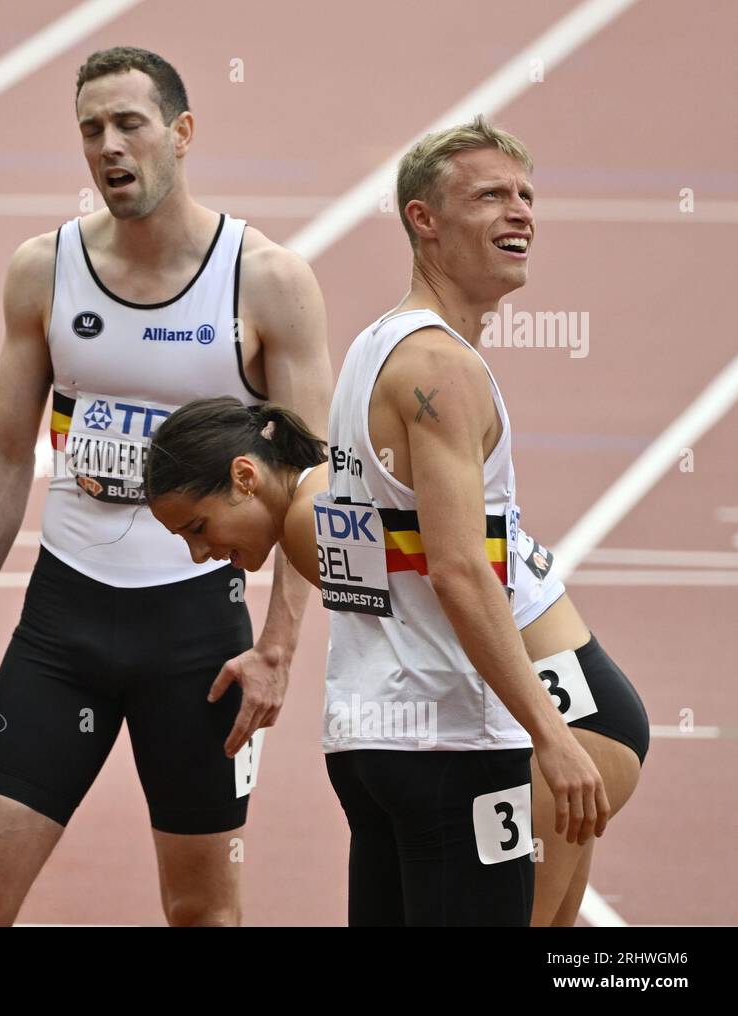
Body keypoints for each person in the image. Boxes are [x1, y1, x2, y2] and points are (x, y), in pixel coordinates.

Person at [151, 117, 614, 926]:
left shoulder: (373, 349)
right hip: (454, 747)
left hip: (371, 745)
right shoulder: (438, 367)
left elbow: (388, 569)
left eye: (525, 196)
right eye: (489, 197)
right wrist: (553, 732)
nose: (520, 213)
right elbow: (459, 569)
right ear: (422, 220)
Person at [0, 47, 331, 926]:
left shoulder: (265, 280)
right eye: (90, 130)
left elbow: (315, 485)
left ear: (182, 134)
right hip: (63, 620)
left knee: (202, 914)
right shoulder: (44, 269)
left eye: (129, 124)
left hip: (196, 633)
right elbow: (5, 452)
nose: (109, 147)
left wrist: (277, 649)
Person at [146, 397, 647, 926]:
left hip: (558, 722)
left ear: (244, 476)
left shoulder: (309, 524)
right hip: (584, 704)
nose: (199, 554)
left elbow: (451, 617)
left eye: (198, 528)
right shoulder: (333, 486)